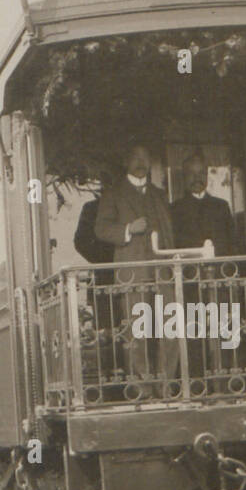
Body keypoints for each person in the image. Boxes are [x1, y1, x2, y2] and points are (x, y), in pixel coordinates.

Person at [93, 144, 179, 391]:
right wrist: (129, 229)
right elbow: (100, 229)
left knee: (169, 330)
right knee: (137, 333)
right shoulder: (113, 194)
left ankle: (166, 386)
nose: (141, 162)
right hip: (133, 272)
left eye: (146, 157)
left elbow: (169, 232)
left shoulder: (159, 194)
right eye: (136, 157)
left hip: (163, 271)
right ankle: (143, 390)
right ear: (125, 161)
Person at [171, 154, 240, 390]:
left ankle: (225, 383)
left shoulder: (221, 206)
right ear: (183, 177)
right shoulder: (175, 210)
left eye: (201, 174)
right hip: (190, 283)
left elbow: (232, 243)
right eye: (192, 174)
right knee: (194, 333)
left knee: (224, 331)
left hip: (219, 281)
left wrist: (229, 275)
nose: (197, 178)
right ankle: (198, 385)